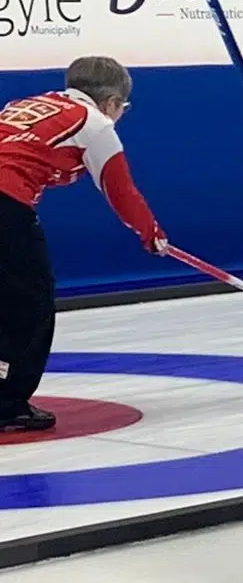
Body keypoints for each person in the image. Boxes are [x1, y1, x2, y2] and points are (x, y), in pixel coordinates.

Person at [0, 58, 167, 432]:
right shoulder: (94, 122)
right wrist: (151, 233)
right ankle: (7, 402)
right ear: (110, 103)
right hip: (5, 203)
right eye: (123, 108)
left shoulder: (26, 105)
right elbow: (119, 189)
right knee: (30, 302)